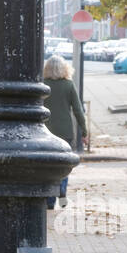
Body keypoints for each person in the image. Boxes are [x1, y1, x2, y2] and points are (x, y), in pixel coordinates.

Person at [43, 54, 88, 209]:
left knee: (47, 167)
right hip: (65, 132)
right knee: (63, 165)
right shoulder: (68, 85)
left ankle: (49, 200)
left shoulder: (43, 85)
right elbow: (78, 110)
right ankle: (62, 194)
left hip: (45, 132)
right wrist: (84, 131)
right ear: (65, 68)